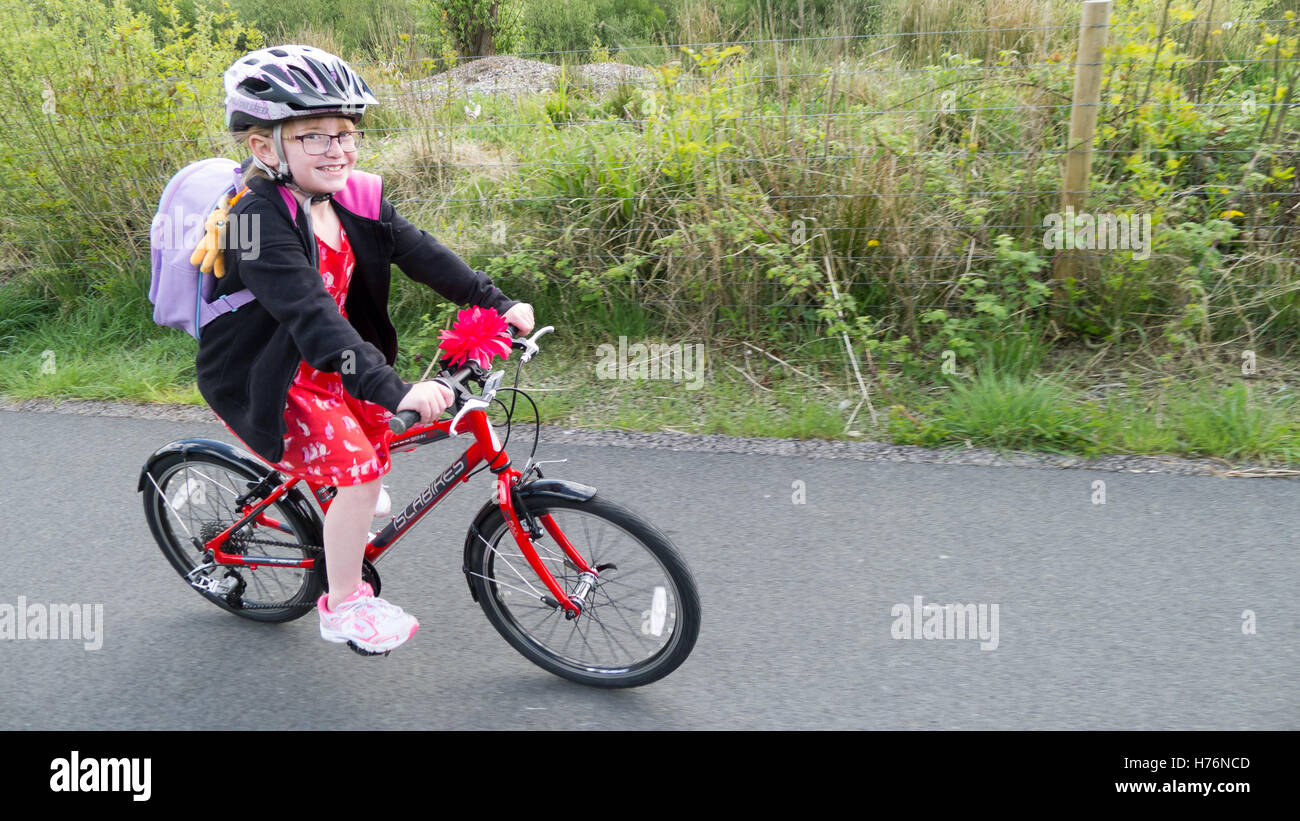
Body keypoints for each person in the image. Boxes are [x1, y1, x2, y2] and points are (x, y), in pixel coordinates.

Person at [197, 45, 535, 654]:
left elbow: (421, 251)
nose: (338, 150)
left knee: (378, 435)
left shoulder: (353, 196)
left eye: (346, 133)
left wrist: (496, 301)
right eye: (314, 137)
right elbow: (312, 315)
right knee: (359, 470)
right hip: (272, 377)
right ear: (265, 147)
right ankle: (344, 604)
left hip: (334, 360)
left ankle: (339, 501)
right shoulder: (254, 221)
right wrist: (395, 386)